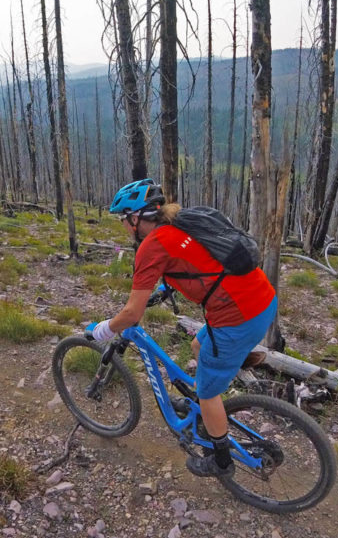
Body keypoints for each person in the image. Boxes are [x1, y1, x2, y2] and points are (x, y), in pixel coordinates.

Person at [89, 178, 278, 478]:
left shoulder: (151, 247)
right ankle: (204, 404)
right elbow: (194, 260)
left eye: (124, 220)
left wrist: (104, 329)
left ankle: (221, 461)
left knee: (206, 392)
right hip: (262, 299)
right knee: (197, 346)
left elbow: (131, 313)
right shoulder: (178, 223)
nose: (124, 227)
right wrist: (167, 285)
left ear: (136, 218)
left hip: (238, 316)